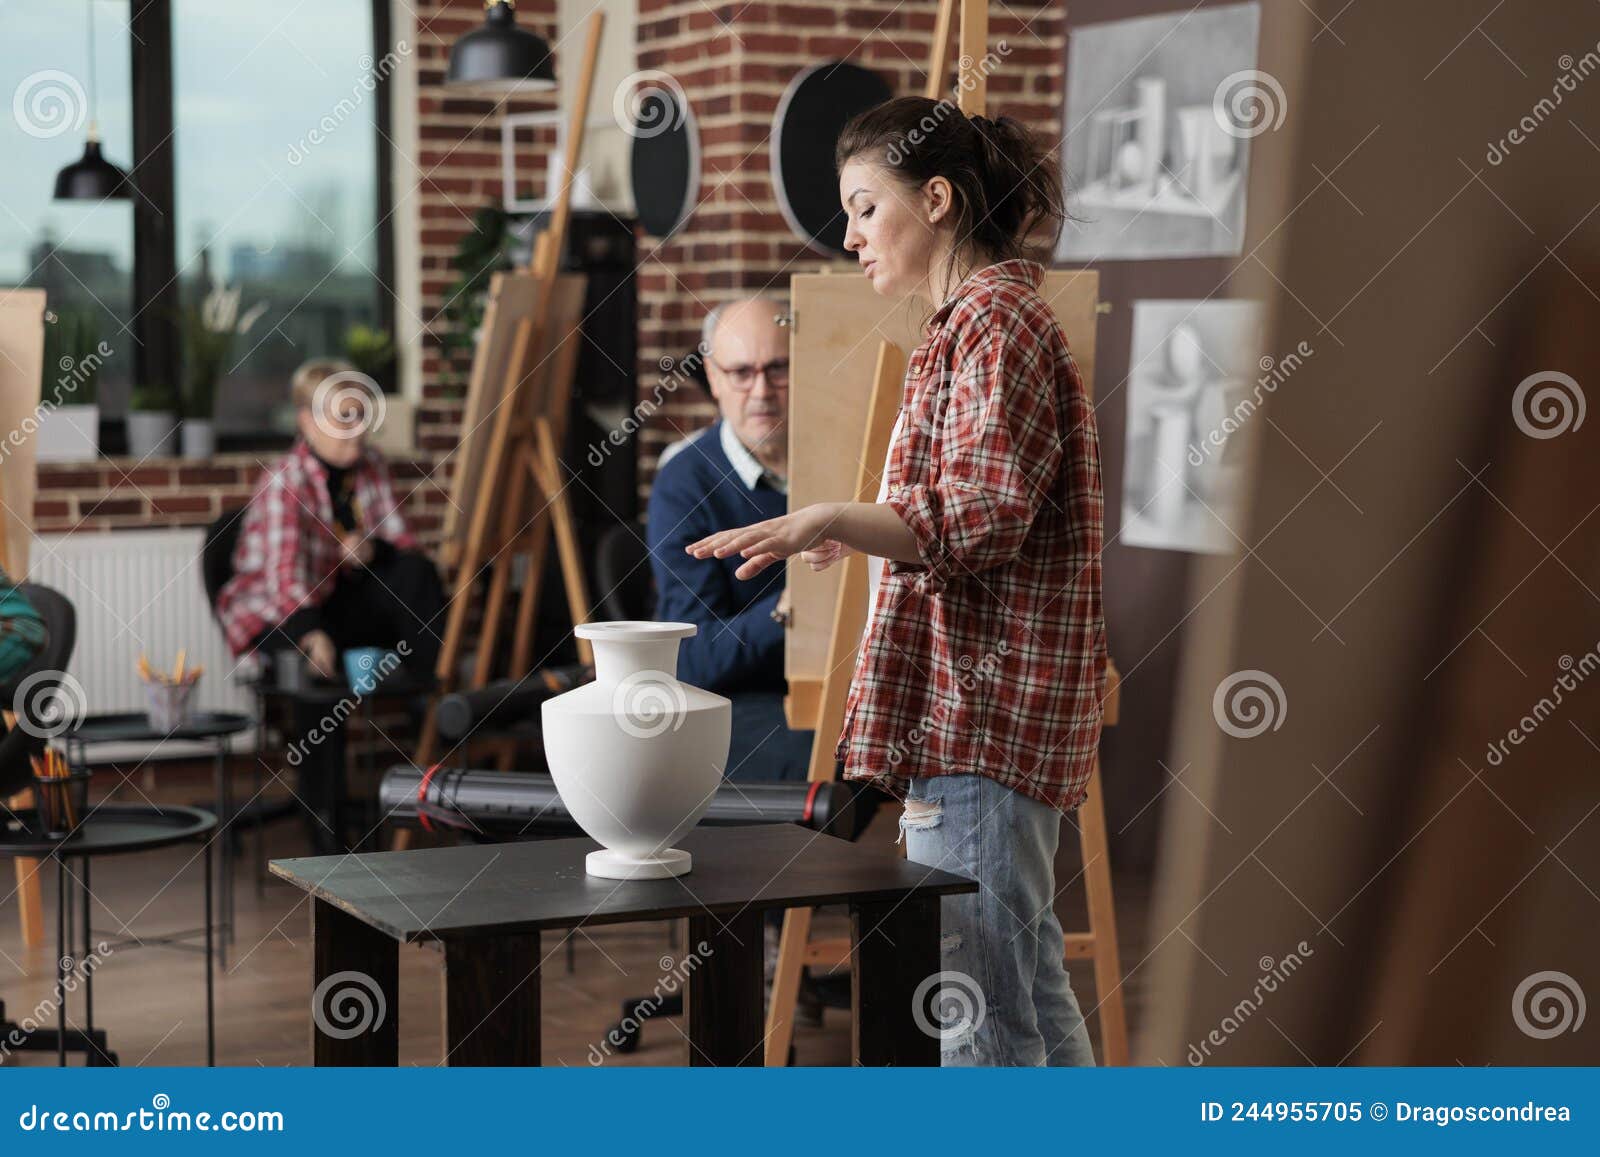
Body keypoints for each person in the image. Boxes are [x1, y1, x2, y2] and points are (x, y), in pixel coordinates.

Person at [686, 97, 1107, 1066]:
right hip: (978, 716)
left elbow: (983, 512)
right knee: (1026, 993)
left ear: (940, 199)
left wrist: (832, 514)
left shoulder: (994, 324)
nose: (851, 236)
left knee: (979, 1011)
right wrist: (867, 531)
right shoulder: (972, 322)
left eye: (865, 207)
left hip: (979, 715)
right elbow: (964, 514)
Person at [216, 359, 446, 851]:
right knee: (315, 672)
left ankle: (430, 696)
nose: (354, 430)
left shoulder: (372, 465)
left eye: (359, 415)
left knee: (417, 573)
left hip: (336, 593)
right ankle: (325, 830)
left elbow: (403, 544)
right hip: (276, 610)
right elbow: (284, 575)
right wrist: (309, 629)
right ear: (306, 421)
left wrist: (374, 550)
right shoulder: (286, 480)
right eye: (341, 417)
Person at [647, 298, 814, 782]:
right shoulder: (684, 483)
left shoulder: (841, 457)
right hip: (737, 702)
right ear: (714, 378)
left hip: (840, 682)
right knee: (821, 760)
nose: (761, 391)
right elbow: (690, 660)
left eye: (778, 368)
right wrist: (791, 610)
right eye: (741, 372)